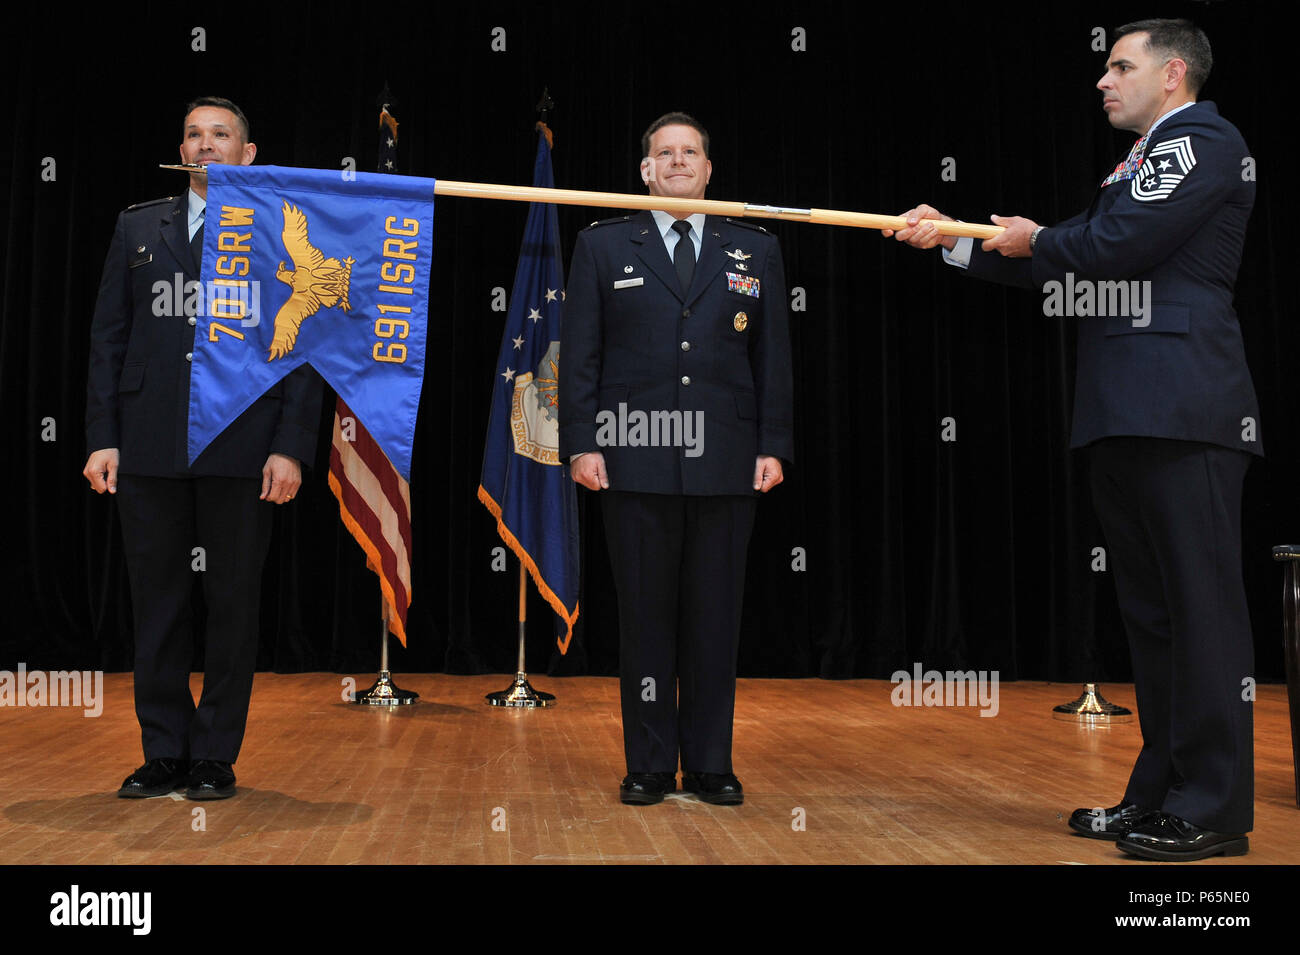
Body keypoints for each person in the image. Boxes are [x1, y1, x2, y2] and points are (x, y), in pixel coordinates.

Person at [887, 19, 1259, 860]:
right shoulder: (1142, 160)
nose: (1103, 80)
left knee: (1200, 617)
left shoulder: (1202, 137)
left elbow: (1117, 247)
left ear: (1172, 75)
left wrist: (1040, 239)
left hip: (1184, 409)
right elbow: (1076, 258)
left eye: (1119, 66)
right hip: (1129, 410)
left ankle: (1212, 809)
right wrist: (959, 240)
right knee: (1155, 621)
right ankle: (1159, 794)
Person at [83, 96, 323, 800]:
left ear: (248, 154)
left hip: (243, 446)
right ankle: (164, 750)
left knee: (231, 603)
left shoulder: (278, 234)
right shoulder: (138, 227)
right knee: (156, 602)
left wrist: (291, 446)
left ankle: (214, 752)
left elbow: (302, 345)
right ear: (180, 150)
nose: (206, 145)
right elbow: (107, 340)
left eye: (222, 135)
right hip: (149, 445)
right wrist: (102, 436)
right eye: (194, 134)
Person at [559, 112, 794, 805]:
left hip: (726, 458)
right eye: (666, 152)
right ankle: (652, 763)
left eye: (691, 151)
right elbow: (582, 355)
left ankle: (712, 761)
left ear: (709, 169)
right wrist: (581, 440)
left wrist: (774, 443)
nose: (679, 161)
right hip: (634, 456)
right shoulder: (603, 245)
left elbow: (772, 357)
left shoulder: (756, 247)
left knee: (715, 619)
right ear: (646, 170)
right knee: (646, 620)